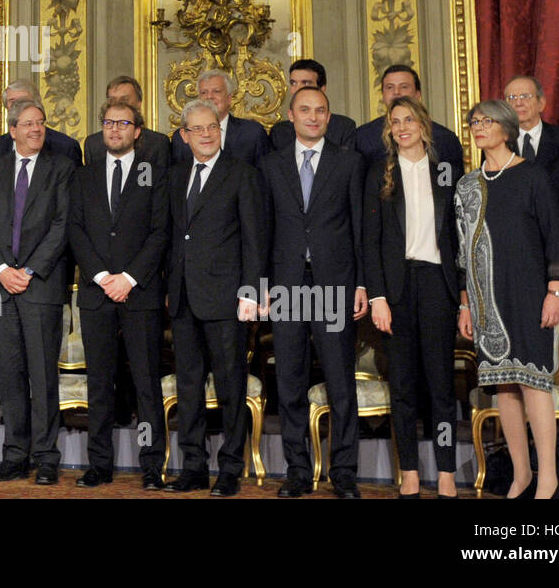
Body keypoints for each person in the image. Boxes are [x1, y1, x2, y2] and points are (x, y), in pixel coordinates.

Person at [456, 99, 559, 499]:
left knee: (535, 384)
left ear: (506, 128)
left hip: (529, 292)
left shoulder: (532, 176)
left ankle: (548, 477)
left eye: (487, 120)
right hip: (486, 299)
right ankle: (521, 475)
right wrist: (466, 304)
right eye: (474, 121)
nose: (479, 126)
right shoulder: (467, 185)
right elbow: (463, 252)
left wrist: (554, 291)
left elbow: (554, 240)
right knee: (503, 386)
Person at [260, 87, 368, 497]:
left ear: (328, 117)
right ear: (290, 115)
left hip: (334, 284)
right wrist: (262, 286)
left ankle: (344, 473)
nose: (313, 116)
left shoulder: (349, 162)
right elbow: (262, 231)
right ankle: (298, 472)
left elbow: (360, 228)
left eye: (320, 110)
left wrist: (361, 284)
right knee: (289, 382)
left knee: (340, 382)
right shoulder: (270, 165)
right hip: (287, 285)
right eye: (305, 110)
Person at [165, 99, 266, 496]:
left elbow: (255, 240)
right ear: (184, 135)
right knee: (188, 385)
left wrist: (251, 293)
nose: (207, 135)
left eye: (213, 128)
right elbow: (174, 237)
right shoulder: (174, 176)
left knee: (230, 385)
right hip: (184, 298)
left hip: (228, 298)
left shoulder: (243, 174)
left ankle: (229, 468)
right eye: (199, 129)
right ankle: (192, 466)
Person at [69, 98, 170, 491]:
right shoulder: (83, 176)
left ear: (137, 131)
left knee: (146, 383)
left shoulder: (154, 173)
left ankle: (151, 465)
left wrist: (127, 278)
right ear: (101, 129)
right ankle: (99, 464)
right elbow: (75, 230)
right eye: (109, 123)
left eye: (123, 124)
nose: (115, 130)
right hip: (96, 295)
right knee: (100, 382)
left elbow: (160, 233)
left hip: (138, 293)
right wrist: (100, 276)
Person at [363, 97, 461, 498]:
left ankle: (447, 471)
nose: (402, 127)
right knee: (402, 386)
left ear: (423, 123)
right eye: (395, 121)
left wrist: (466, 299)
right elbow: (369, 242)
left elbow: (459, 238)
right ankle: (409, 471)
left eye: (409, 120)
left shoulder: (446, 173)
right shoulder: (379, 174)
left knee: (440, 386)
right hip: (396, 289)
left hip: (438, 286)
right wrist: (378, 297)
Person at [0, 99, 74, 484]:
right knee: (10, 373)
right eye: (28, 124)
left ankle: (47, 456)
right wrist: (2, 270)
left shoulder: (62, 168)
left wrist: (28, 271)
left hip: (41, 285)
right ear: (12, 130)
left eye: (41, 123)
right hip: (1, 287)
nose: (36, 129)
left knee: (42, 372)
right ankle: (14, 455)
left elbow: (63, 225)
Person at [503, 75, 559, 392]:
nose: (518, 103)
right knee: (525, 339)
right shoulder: (500, 146)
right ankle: (527, 423)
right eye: (511, 97)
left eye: (525, 96)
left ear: (541, 102)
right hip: (517, 262)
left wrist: (555, 243)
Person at [354, 64, 464, 173]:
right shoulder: (363, 136)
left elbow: (450, 184)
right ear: (383, 95)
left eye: (404, 87)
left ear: (417, 94)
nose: (396, 92)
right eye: (390, 87)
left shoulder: (445, 138)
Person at [170, 69, 272, 168]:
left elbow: (265, 174)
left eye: (216, 91)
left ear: (229, 99)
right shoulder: (181, 137)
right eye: (204, 92)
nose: (209, 96)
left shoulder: (252, 132)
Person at [0, 79, 83, 165]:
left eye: (24, 101)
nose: (18, 106)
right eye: (12, 101)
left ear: (37, 103)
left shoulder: (66, 147)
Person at [81, 75, 171, 169]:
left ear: (139, 104)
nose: (118, 105)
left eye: (124, 100)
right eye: (112, 100)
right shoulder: (93, 144)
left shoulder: (158, 144)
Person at [268, 59, 357, 151]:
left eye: (306, 83)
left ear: (322, 88)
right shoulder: (279, 132)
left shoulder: (343, 127)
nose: (297, 89)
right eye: (293, 83)